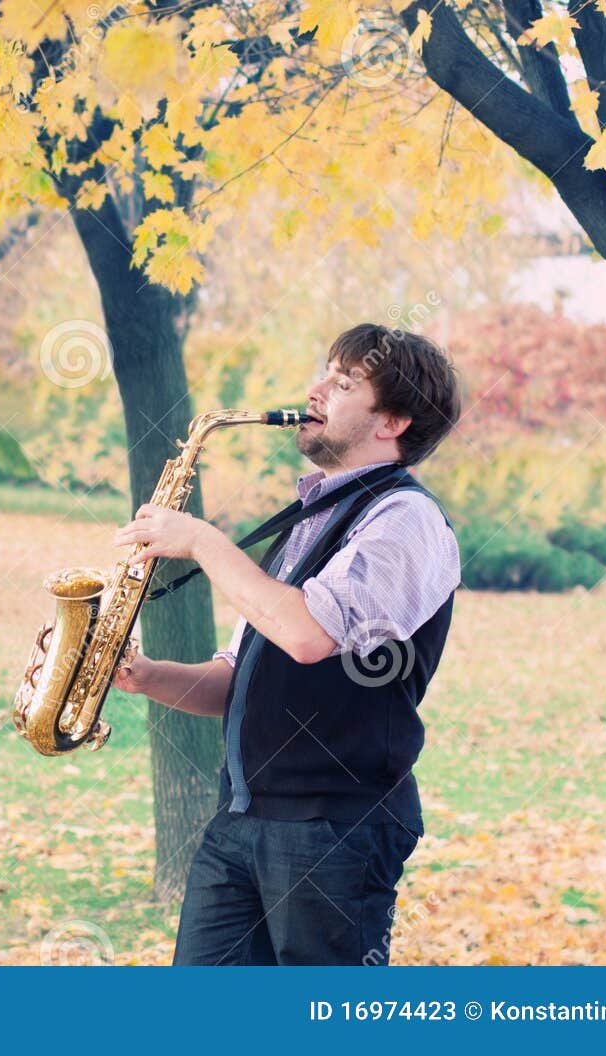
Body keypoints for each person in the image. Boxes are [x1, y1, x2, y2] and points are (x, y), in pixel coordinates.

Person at [110, 323, 462, 966]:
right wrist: (145, 674)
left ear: (392, 421)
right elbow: (241, 673)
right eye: (324, 371)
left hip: (335, 830)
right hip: (243, 818)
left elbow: (306, 636)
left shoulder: (405, 522)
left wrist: (204, 542)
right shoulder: (312, 519)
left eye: (344, 381)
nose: (316, 389)